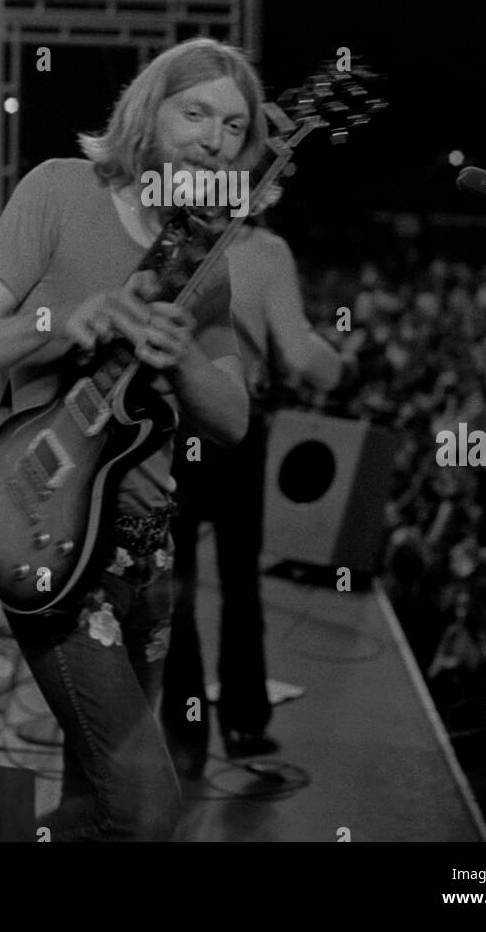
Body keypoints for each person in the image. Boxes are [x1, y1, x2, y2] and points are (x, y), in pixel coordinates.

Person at [0, 38, 264, 842]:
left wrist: (179, 342)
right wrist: (54, 325)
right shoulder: (58, 191)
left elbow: (231, 419)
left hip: (147, 560)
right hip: (48, 538)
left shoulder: (208, 264)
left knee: (96, 802)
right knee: (149, 807)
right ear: (148, 111)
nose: (213, 138)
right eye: (195, 112)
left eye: (233, 126)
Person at [161, 217, 343, 773]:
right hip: (236, 429)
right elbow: (298, 353)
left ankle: (183, 732)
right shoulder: (266, 250)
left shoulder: (162, 241)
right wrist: (337, 365)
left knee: (176, 586)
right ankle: (243, 723)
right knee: (240, 579)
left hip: (168, 428)